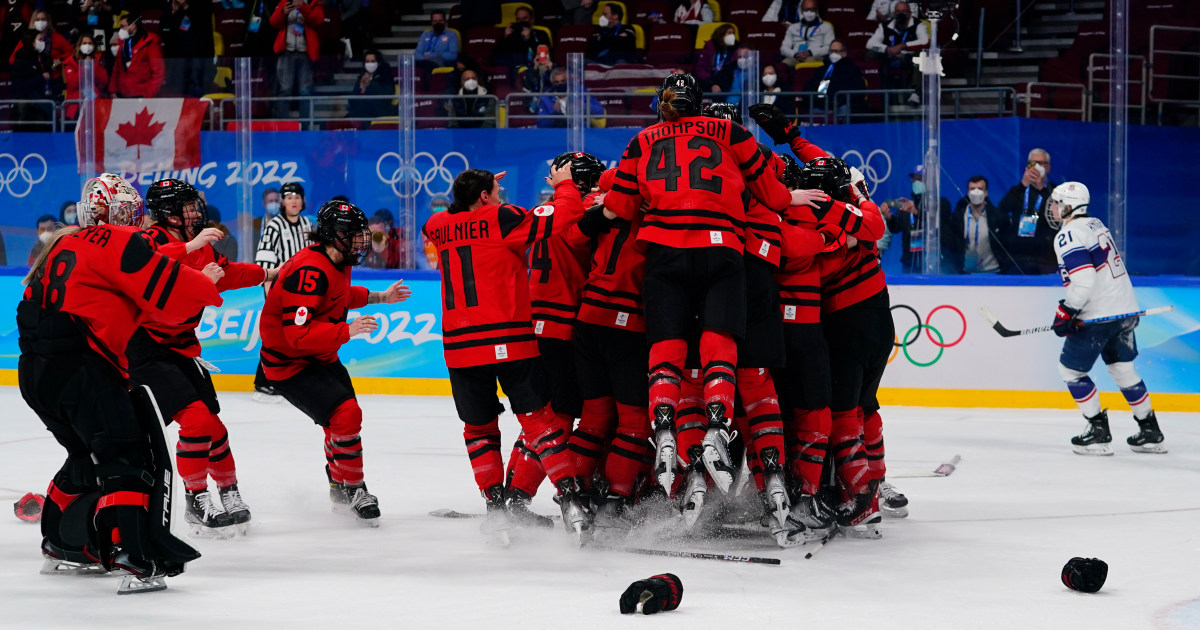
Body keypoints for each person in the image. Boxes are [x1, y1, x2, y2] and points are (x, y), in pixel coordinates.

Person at [604, 74, 802, 503]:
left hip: (662, 252)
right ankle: (718, 421)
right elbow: (777, 197)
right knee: (721, 337)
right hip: (723, 251)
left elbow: (618, 206)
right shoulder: (733, 132)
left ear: (664, 103)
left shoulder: (642, 140)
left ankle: (663, 423)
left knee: (667, 341)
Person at [19, 173, 221, 589]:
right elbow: (171, 292)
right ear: (111, 214)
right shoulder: (115, 240)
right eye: (130, 211)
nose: (137, 219)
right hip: (82, 368)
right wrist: (207, 284)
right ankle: (131, 553)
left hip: (35, 371)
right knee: (130, 456)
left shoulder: (61, 242)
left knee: (86, 454)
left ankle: (61, 544)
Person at [424, 165, 594, 542]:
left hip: (460, 346)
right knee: (541, 421)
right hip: (510, 338)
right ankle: (572, 501)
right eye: (495, 189)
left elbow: (450, 219)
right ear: (484, 197)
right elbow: (566, 214)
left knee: (479, 430)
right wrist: (565, 184)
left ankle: (495, 509)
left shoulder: (437, 224)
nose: (501, 193)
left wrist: (469, 199)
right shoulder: (503, 217)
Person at [129, 179, 271, 538]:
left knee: (213, 427)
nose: (196, 211)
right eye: (188, 207)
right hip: (148, 350)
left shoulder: (200, 247)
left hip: (182, 349)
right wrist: (197, 271)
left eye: (195, 206)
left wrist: (269, 274)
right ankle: (195, 499)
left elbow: (229, 271)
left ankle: (229, 490)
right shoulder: (149, 241)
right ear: (168, 213)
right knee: (194, 421)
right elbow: (161, 290)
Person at [259, 200, 411, 526]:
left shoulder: (336, 261)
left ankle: (340, 487)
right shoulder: (309, 271)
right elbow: (297, 335)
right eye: (354, 235)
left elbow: (339, 295)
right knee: (346, 415)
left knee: (342, 421)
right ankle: (354, 488)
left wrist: (381, 298)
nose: (361, 242)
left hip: (319, 355)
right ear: (334, 235)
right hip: (291, 364)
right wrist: (347, 330)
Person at [1048, 182, 1166, 456]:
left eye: (1056, 203)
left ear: (1068, 206)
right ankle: (1151, 432)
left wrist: (1066, 311)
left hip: (1098, 315)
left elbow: (1084, 280)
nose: (1052, 208)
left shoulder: (1068, 234)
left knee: (1071, 371)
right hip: (1124, 310)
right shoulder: (1095, 224)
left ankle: (1098, 432)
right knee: (1122, 369)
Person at [255, 181, 312, 401]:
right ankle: (262, 383)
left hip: (302, 290)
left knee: (298, 335)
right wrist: (270, 297)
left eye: (297, 197)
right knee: (276, 337)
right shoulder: (274, 226)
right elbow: (265, 264)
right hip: (277, 289)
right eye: (289, 197)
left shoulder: (307, 223)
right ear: (283, 202)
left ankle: (290, 379)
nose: (294, 201)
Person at [998, 148, 1059, 274]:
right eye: (1033, 163)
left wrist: (1041, 188)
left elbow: (1056, 216)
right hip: (1018, 256)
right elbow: (1003, 208)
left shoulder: (1056, 191)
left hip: (1044, 258)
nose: (1037, 167)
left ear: (1048, 167)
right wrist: (1023, 185)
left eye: (1041, 163)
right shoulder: (1019, 190)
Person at [942, 175, 1015, 274]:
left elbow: (1008, 245)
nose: (976, 192)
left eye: (980, 189)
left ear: (986, 193)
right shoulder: (958, 217)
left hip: (993, 272)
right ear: (968, 193)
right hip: (965, 273)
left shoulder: (998, 217)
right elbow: (953, 244)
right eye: (972, 189)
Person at [270, 0, 325, 120]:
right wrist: (282, 12)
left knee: (305, 91)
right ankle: (283, 125)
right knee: (284, 90)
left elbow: (318, 20)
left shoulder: (314, 2)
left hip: (305, 53)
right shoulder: (284, 2)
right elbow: (273, 22)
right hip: (286, 52)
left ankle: (306, 125)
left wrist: (304, 8)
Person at [865, 1, 927, 104]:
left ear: (910, 13)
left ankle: (915, 93)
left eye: (904, 11)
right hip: (889, 57)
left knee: (921, 56)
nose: (901, 14)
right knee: (871, 54)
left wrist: (903, 46)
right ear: (894, 14)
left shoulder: (918, 25)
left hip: (908, 57)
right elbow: (870, 44)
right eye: (898, 11)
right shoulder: (885, 26)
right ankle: (877, 94)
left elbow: (924, 41)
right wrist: (887, 49)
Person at [802, 39, 865, 116]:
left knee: (844, 110)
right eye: (831, 51)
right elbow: (809, 88)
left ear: (844, 53)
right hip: (822, 106)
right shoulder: (822, 70)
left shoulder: (852, 70)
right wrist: (819, 102)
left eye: (836, 51)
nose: (833, 54)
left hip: (842, 106)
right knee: (814, 113)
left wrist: (838, 102)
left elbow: (857, 92)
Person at [63, 34, 108, 120]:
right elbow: (73, 84)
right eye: (84, 43)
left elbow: (103, 81)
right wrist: (85, 67)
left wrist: (94, 65)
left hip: (95, 103)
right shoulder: (70, 62)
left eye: (90, 43)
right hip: (76, 105)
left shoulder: (98, 61)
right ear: (79, 46)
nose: (87, 46)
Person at [780, 0, 834, 67]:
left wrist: (810, 53)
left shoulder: (826, 27)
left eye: (812, 9)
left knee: (809, 61)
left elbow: (830, 47)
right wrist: (795, 54)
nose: (809, 12)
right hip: (796, 56)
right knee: (785, 63)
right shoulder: (792, 27)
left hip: (815, 56)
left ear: (817, 10)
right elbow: (784, 48)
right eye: (806, 10)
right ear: (802, 11)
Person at [348, 50, 396, 120]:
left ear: (379, 63)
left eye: (372, 61)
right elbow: (352, 101)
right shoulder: (362, 77)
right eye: (367, 62)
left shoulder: (386, 76)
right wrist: (361, 88)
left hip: (380, 110)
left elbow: (387, 95)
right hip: (363, 113)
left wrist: (371, 84)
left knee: (365, 102)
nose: (370, 64)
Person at [695, 25, 738, 95]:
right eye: (729, 33)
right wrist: (712, 84)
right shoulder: (709, 47)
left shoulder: (735, 49)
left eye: (733, 34)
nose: (732, 36)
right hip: (708, 84)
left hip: (726, 86)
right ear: (721, 34)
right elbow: (701, 69)